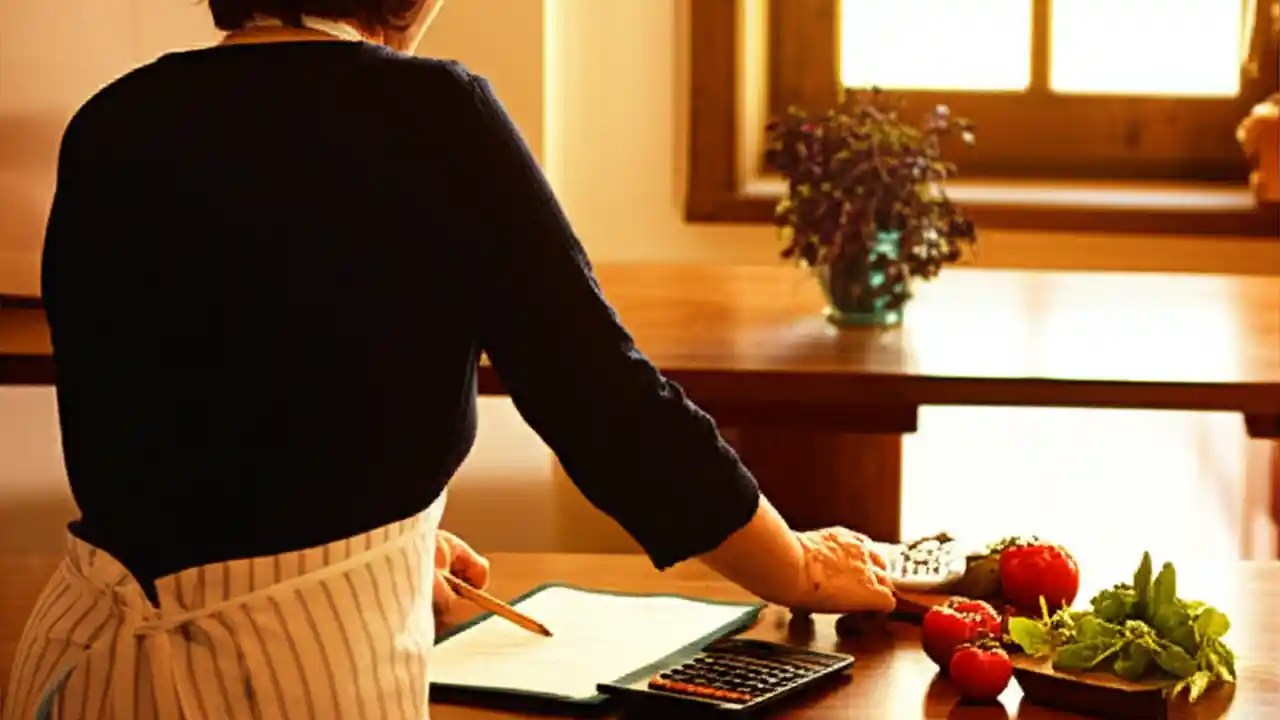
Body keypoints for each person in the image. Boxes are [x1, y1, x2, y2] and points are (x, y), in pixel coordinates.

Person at [3, 1, 895, 718]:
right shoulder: (434, 112)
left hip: (80, 665)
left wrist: (382, 542)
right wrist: (798, 568)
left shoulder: (115, 118)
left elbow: (166, 415)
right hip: (276, 678)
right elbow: (600, 397)